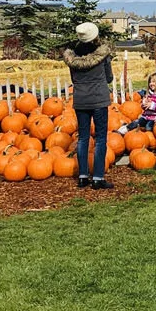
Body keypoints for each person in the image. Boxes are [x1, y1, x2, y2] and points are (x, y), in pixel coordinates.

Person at [65, 22, 114, 188]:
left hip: (81, 100)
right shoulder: (102, 55)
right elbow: (109, 78)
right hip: (99, 98)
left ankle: (83, 176)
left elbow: (74, 79)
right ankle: (98, 177)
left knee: (83, 137)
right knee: (100, 138)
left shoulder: (73, 58)